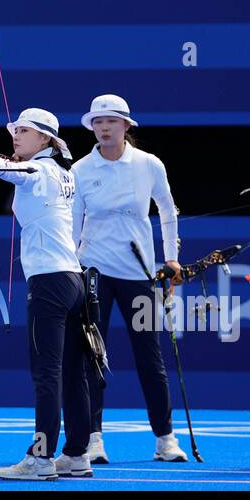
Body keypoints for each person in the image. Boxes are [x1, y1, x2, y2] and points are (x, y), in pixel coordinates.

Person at [0, 108, 92, 481]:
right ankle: (77, 455)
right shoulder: (62, 172)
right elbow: (15, 168)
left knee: (46, 372)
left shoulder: (41, 170)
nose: (16, 135)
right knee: (70, 371)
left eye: (24, 131)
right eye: (15, 129)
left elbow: (15, 171)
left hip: (50, 283)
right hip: (72, 279)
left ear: (46, 139)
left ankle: (41, 458)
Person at [71, 94, 187, 463]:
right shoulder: (80, 170)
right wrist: (71, 268)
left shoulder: (149, 164)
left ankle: (165, 439)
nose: (104, 128)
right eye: (98, 122)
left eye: (111, 121)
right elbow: (72, 225)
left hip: (139, 276)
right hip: (93, 273)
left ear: (126, 126)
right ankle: (93, 439)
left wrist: (172, 257)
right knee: (92, 357)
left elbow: (167, 210)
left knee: (149, 356)